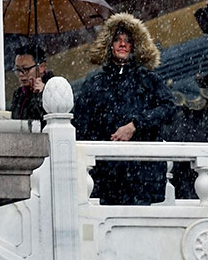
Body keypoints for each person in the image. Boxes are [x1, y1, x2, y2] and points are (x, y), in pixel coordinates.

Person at [74, 13, 176, 205]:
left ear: (134, 46)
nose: (122, 44)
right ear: (109, 45)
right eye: (118, 40)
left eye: (128, 41)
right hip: (107, 175)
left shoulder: (148, 79)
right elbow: (80, 124)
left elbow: (169, 108)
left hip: (143, 174)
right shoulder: (95, 83)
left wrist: (135, 125)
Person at [9, 43, 54, 121]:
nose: (20, 74)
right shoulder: (18, 94)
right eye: (18, 70)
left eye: (26, 69)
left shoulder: (53, 89)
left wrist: (41, 95)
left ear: (41, 67)